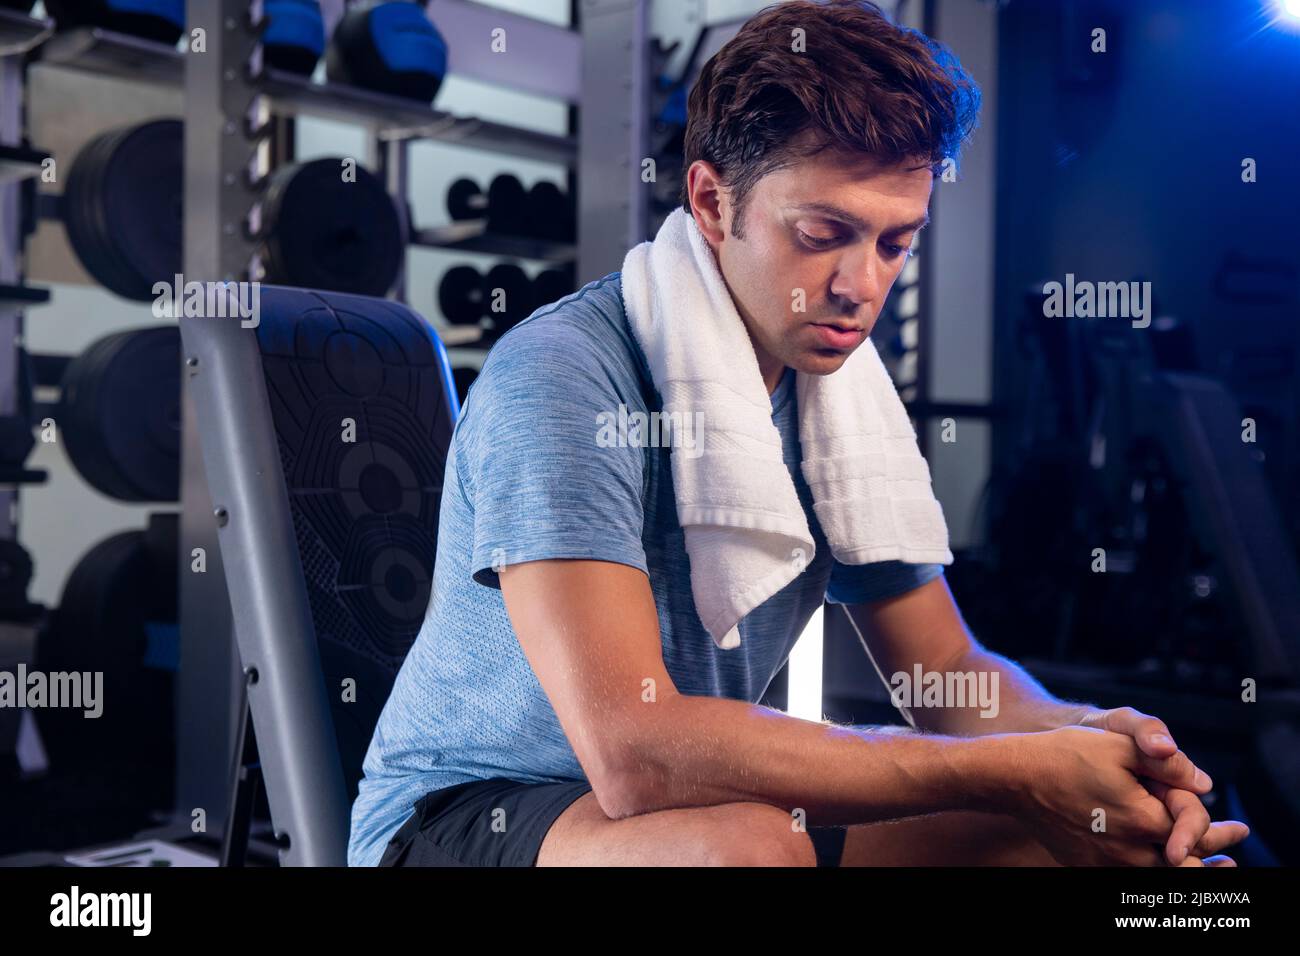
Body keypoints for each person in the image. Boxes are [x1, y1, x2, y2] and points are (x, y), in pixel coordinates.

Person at [348, 0, 1248, 867]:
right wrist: (1013, 770)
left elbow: (942, 670)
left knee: (1072, 835)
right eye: (825, 232)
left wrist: (1092, 742)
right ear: (709, 201)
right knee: (746, 850)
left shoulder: (837, 398)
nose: (863, 285)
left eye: (896, 244)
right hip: (465, 816)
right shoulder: (566, 373)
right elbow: (634, 748)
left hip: (689, 808)